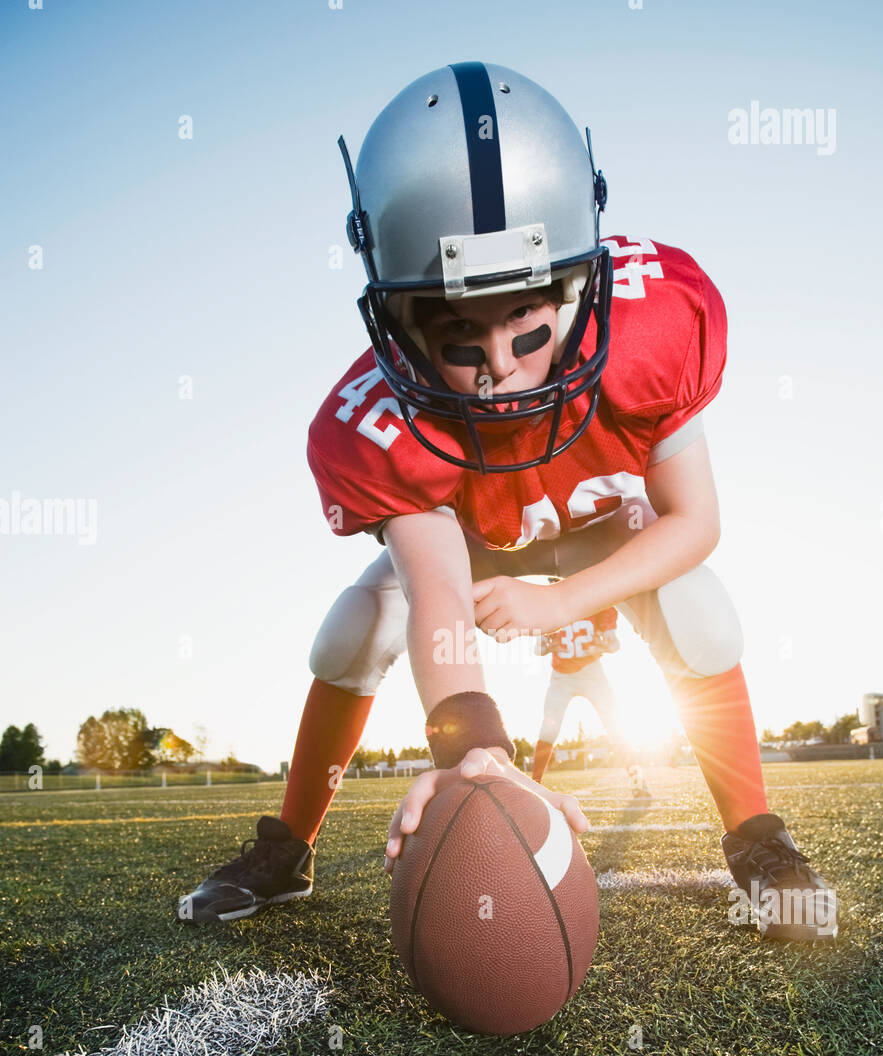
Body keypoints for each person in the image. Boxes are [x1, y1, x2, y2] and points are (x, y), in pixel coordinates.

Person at [179, 61, 837, 943]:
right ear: (403, 321)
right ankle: (287, 850)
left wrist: (563, 601)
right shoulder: (382, 428)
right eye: (459, 334)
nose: (499, 368)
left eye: (526, 322)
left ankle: (758, 841)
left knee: (698, 610)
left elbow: (696, 522)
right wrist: (476, 749)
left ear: (579, 285)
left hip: (599, 532)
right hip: (471, 545)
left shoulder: (654, 329)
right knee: (350, 632)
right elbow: (440, 596)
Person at [530, 599, 650, 797]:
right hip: (561, 676)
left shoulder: (595, 602)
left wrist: (600, 643)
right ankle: (535, 784)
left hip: (592, 672)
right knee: (549, 729)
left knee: (615, 725)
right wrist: (550, 644)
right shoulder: (549, 605)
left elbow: (614, 646)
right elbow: (538, 649)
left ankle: (637, 779)